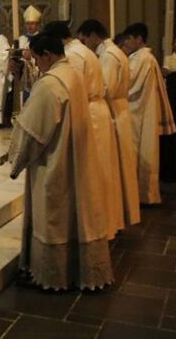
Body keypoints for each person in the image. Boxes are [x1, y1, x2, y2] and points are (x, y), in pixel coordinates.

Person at [1, 33, 113, 290]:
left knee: (54, 217)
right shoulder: (72, 74)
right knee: (73, 216)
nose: (38, 65)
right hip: (74, 154)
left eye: (38, 60)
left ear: (47, 55)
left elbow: (32, 130)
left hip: (54, 162)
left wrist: (15, 158)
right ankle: (74, 270)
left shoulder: (51, 84)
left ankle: (52, 274)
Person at [44, 21, 123, 238]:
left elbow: (71, 89)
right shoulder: (83, 51)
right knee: (101, 172)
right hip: (96, 110)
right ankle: (104, 223)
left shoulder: (74, 56)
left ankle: (95, 227)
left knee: (91, 175)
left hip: (88, 113)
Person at [77, 19, 140, 227]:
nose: (86, 44)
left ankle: (111, 218)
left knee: (110, 170)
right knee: (117, 169)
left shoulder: (109, 55)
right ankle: (118, 214)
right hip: (118, 111)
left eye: (85, 39)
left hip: (113, 112)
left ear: (94, 35)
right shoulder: (114, 52)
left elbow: (107, 88)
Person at [123, 22, 176, 203]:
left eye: (129, 38)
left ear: (139, 39)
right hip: (141, 109)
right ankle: (144, 193)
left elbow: (128, 84)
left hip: (138, 112)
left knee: (139, 153)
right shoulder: (145, 57)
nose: (127, 42)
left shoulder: (141, 58)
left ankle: (142, 194)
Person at [18, 5, 42, 104]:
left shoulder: (42, 39)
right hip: (23, 79)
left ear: (38, 24)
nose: (30, 26)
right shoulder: (20, 40)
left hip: (38, 78)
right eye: (28, 23)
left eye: (33, 23)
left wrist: (31, 57)